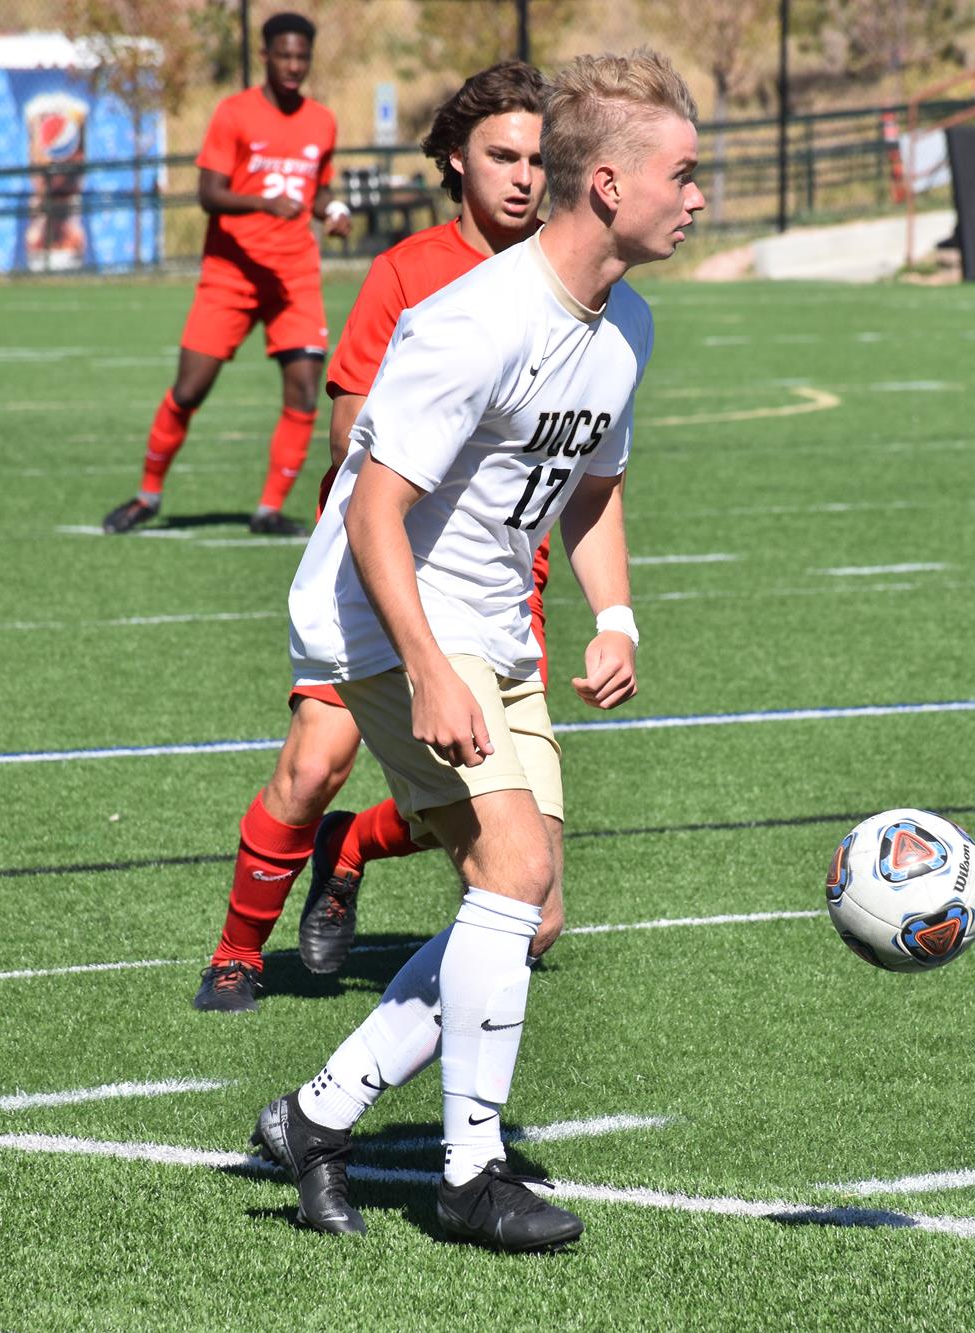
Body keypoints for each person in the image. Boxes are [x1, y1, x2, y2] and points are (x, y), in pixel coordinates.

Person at [250, 48, 703, 1251]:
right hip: (381, 618)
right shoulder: (473, 319)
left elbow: (592, 488)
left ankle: (318, 1113)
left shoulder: (627, 326)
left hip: (492, 626)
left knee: (530, 906)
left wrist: (614, 616)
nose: (697, 198)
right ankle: (467, 1175)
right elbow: (369, 508)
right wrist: (432, 667)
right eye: (683, 174)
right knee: (507, 868)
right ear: (607, 185)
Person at [190, 60, 553, 1014]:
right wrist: (439, 456)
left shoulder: (563, 278)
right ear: (453, 160)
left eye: (539, 160)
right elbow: (353, 426)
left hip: (497, 580)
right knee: (313, 764)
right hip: (379, 558)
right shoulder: (409, 273)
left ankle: (349, 850)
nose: (523, 177)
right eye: (501, 156)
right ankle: (236, 951)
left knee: (483, 811)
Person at [102, 12, 351, 539]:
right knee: (190, 390)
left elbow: (319, 189)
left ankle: (268, 509)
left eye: (301, 56)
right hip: (231, 272)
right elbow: (208, 194)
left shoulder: (322, 121)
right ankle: (148, 493)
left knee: (306, 389)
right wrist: (264, 202)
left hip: (293, 277)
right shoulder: (235, 114)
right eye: (283, 54)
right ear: (264, 55)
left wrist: (333, 210)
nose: (292, 65)